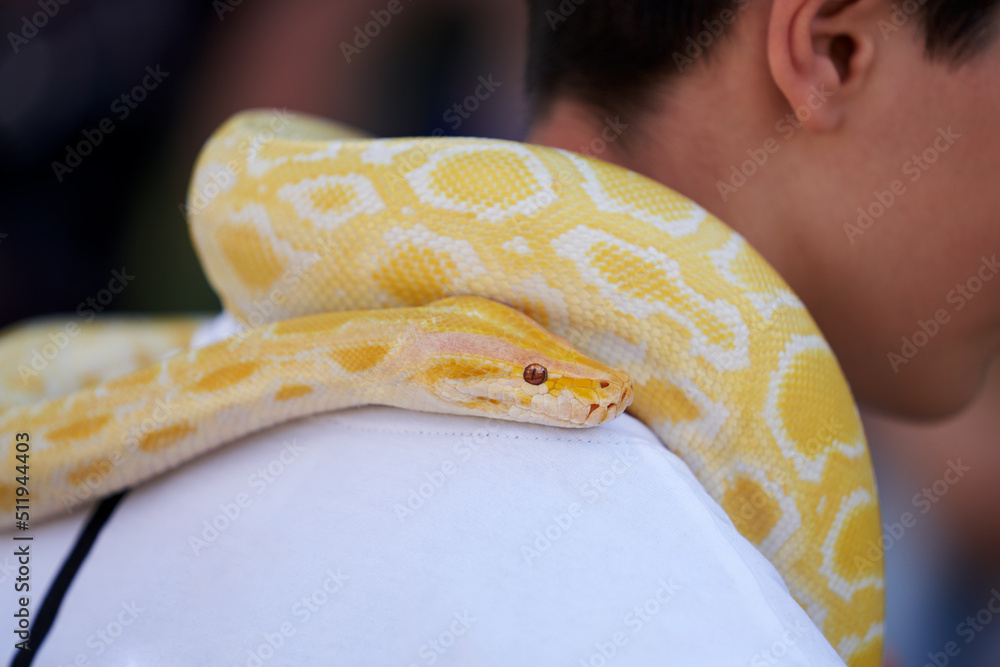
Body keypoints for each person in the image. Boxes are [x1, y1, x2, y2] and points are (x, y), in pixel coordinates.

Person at [10, 1, 999, 665]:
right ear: (833, 47)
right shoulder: (683, 623)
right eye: (532, 377)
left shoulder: (78, 466)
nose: (583, 393)